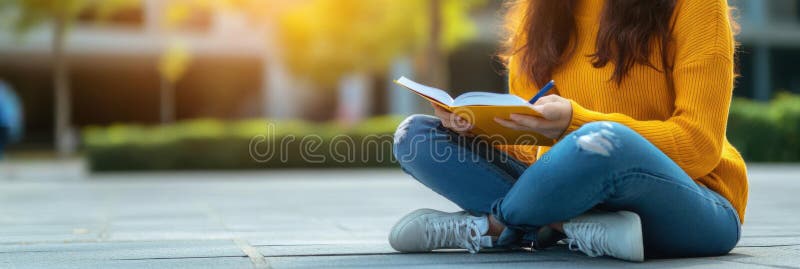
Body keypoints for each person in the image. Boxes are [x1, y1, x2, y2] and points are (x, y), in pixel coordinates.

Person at [390, 0, 746, 262]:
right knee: (418, 137)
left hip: (697, 203)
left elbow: (699, 145)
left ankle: (492, 228)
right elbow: (536, 150)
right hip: (575, 185)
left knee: (606, 140)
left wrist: (573, 122)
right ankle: (573, 225)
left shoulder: (697, 6)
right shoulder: (538, 13)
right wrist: (481, 130)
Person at [0, 80, 23, 158]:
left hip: (4, 123)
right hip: (5, 123)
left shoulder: (7, 97)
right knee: (2, 140)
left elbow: (11, 112)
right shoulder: (8, 96)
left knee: (2, 140)